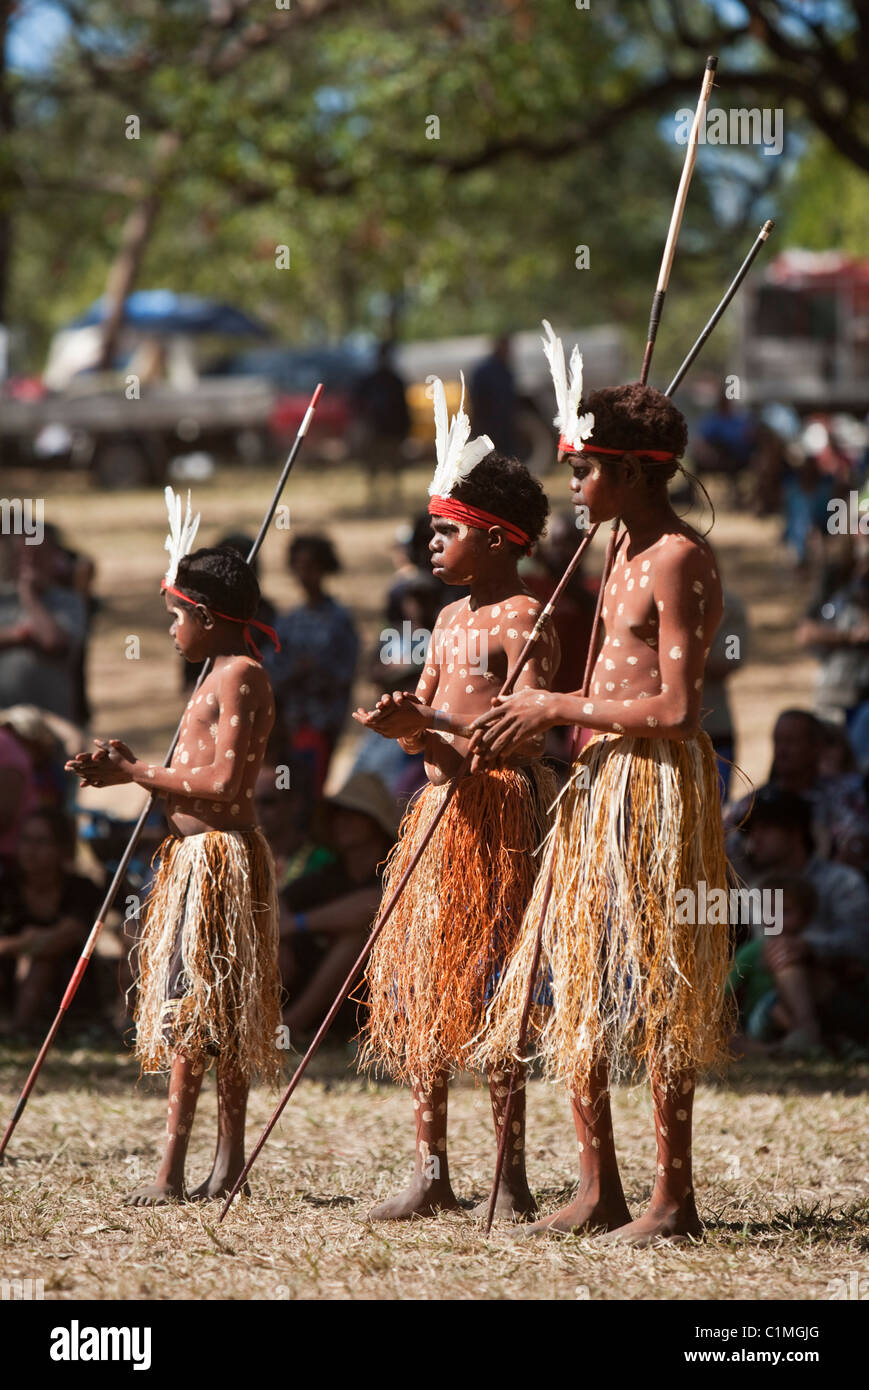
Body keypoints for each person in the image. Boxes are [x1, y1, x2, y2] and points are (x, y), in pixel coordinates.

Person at [472, 357, 733, 1244]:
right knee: (574, 975)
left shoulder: (679, 558)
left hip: (652, 785)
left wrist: (553, 707)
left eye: (583, 470)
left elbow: (675, 707)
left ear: (629, 471)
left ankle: (672, 1201)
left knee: (657, 987)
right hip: (594, 781)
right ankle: (597, 1190)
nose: (573, 487)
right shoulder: (617, 544)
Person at [353, 378, 559, 1222]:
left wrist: (428, 719)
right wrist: (409, 729)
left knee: (498, 991)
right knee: (427, 990)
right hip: (438, 819)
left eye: (445, 531)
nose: (431, 545)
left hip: (501, 819)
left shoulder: (523, 615)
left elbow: (528, 734)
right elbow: (441, 740)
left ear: (496, 537)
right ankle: (431, 1169)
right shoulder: (443, 622)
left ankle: (507, 1178)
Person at [66, 519, 283, 1207]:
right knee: (199, 1012)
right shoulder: (215, 672)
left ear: (208, 617)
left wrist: (138, 773)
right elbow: (191, 772)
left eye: (175, 618)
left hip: (220, 859)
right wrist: (122, 771)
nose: (169, 631)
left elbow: (225, 789)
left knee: (209, 1015)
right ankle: (214, 1166)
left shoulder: (241, 674)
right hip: (194, 859)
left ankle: (190, 1168)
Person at [279, 772, 399, 1037]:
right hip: (317, 992)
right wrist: (282, 932)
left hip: (374, 1000)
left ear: (375, 822)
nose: (341, 821)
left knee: (356, 938)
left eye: (352, 813)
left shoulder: (397, 873)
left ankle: (291, 1026)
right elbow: (279, 902)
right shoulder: (330, 874)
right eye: (337, 813)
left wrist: (296, 924)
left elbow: (373, 904)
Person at [265, 533, 359, 795]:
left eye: (312, 566)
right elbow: (272, 668)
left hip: (324, 721)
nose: (305, 574)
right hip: (289, 722)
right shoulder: (288, 621)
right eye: (300, 566)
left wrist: (317, 672)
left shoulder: (338, 619)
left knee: (313, 787)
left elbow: (346, 670)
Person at [0, 809, 103, 1035]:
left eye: (41, 842)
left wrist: (20, 944)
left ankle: (18, 1029)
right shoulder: (6, 887)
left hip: (67, 987)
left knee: (42, 962)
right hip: (9, 980)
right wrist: (25, 943)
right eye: (26, 839)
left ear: (62, 849)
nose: (31, 849)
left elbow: (67, 936)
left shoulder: (80, 889)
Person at [0, 530, 88, 723]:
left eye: (37, 555)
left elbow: (54, 642)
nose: (30, 562)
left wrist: (28, 593)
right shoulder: (3, 600)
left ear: (52, 558)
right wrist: (18, 636)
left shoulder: (68, 602)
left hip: (55, 723)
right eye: (23, 554)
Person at [350, 342, 411, 505]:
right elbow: (358, 406)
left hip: (392, 432)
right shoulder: (369, 381)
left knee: (394, 467)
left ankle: (394, 497)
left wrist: (405, 431)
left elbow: (403, 408)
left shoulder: (395, 381)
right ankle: (373, 498)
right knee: (373, 468)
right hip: (374, 432)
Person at [470, 334, 518, 457]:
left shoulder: (506, 370)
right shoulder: (484, 370)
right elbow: (476, 398)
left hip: (504, 425)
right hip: (487, 423)